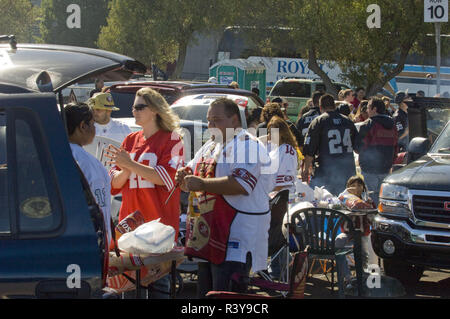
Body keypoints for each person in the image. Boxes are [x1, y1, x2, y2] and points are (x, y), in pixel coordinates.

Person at [175, 98, 271, 298]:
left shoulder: (249, 145)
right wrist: (182, 174)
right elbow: (191, 171)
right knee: (206, 294)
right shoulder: (211, 145)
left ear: (234, 119)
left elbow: (241, 185)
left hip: (236, 236)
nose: (210, 126)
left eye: (216, 120)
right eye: (209, 120)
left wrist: (201, 184)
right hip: (209, 235)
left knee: (227, 296)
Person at [105, 87, 184, 299]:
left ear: (155, 110)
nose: (134, 111)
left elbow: (166, 178)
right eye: (133, 107)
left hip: (159, 230)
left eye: (140, 107)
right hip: (130, 228)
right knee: (130, 291)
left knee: (159, 290)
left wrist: (130, 164)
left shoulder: (173, 140)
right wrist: (127, 169)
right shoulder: (130, 140)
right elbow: (114, 183)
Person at [65, 102, 112, 245]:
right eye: (92, 124)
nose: (95, 129)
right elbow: (99, 205)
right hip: (89, 242)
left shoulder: (58, 154)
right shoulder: (85, 160)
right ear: (83, 126)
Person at [265, 116, 302, 279]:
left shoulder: (287, 150)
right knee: (276, 234)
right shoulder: (276, 149)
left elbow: (283, 181)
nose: (269, 135)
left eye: (272, 131)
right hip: (275, 196)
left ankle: (279, 269)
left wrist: (263, 191)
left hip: (282, 198)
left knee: (277, 234)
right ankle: (276, 268)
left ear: (281, 132)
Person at [302, 94, 358, 196]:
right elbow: (358, 148)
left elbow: (310, 150)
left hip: (326, 172)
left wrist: (306, 171)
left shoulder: (318, 121)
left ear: (320, 107)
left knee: (323, 203)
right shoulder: (348, 121)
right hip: (347, 171)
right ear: (334, 106)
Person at [354, 97, 398, 206]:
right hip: (386, 167)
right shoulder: (393, 125)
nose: (367, 110)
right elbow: (396, 146)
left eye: (368, 107)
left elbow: (359, 148)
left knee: (371, 199)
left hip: (370, 169)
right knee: (383, 199)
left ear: (374, 109)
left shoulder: (368, 125)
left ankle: (372, 221)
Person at [336, 175, 376, 288]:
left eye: (359, 185)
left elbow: (372, 218)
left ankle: (361, 275)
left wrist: (368, 209)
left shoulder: (367, 201)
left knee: (363, 251)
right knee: (338, 243)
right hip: (348, 233)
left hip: (362, 233)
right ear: (348, 188)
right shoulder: (344, 200)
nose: (356, 188)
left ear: (363, 187)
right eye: (353, 186)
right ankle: (347, 277)